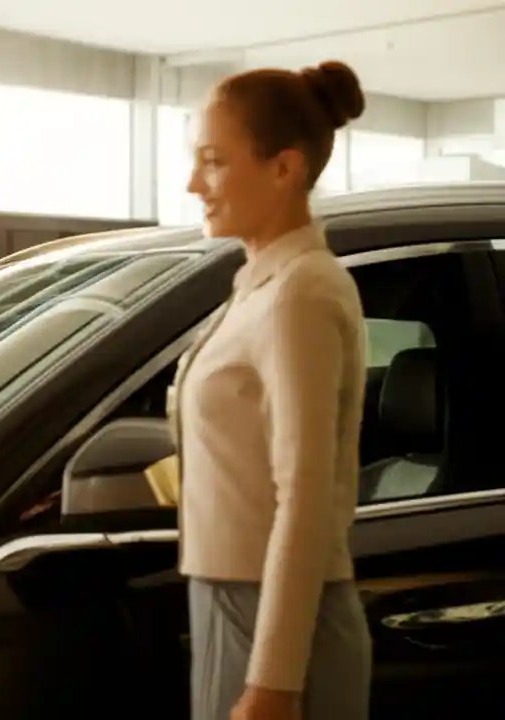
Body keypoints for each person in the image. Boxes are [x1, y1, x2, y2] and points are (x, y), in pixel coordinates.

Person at [172, 61, 370, 720]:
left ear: (283, 168)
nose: (194, 183)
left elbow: (307, 497)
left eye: (214, 162)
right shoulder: (260, 285)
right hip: (232, 600)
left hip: (277, 618)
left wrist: (275, 681)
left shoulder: (300, 293)